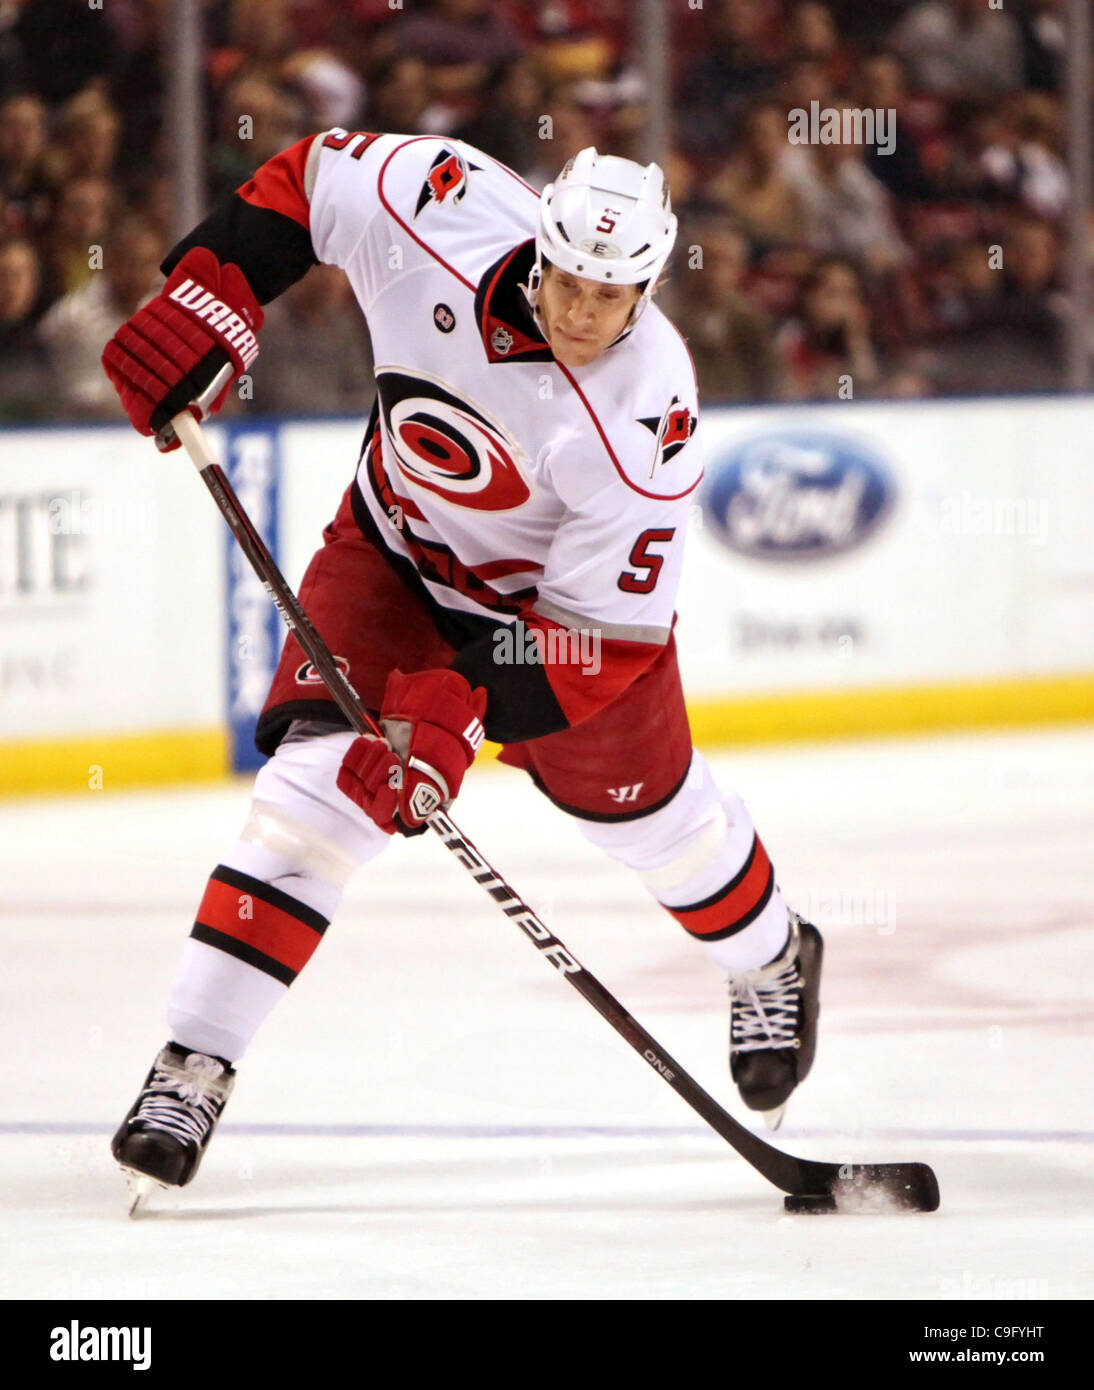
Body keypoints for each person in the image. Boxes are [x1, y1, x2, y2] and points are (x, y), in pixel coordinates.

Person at [100, 130, 824, 1199]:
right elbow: (302, 182)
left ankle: (770, 953)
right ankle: (194, 1059)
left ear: (649, 285)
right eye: (567, 278)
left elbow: (601, 637)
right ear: (539, 241)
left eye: (609, 294)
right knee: (307, 802)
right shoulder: (438, 205)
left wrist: (462, 710)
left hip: (556, 637)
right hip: (391, 557)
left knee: (657, 829)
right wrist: (214, 292)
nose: (580, 311)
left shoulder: (647, 415)